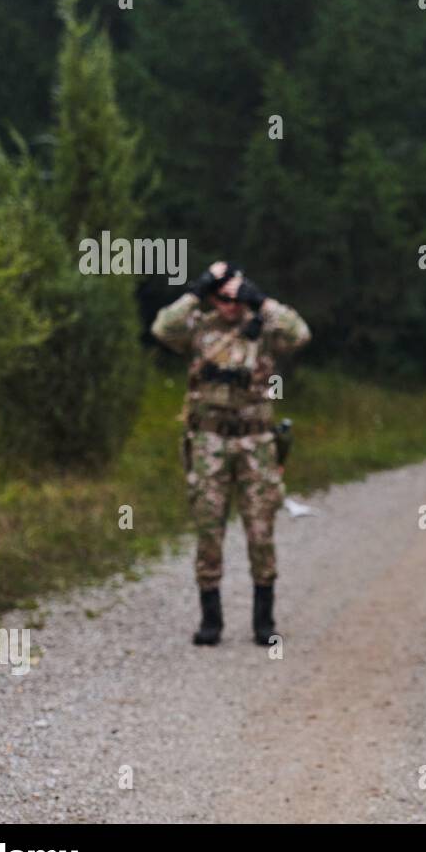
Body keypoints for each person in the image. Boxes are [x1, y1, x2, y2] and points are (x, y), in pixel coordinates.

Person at [151, 261, 311, 646]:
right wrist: (196, 289)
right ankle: (211, 619)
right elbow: (161, 328)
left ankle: (263, 620)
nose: (229, 305)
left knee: (260, 530)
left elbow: (300, 333)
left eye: (235, 298)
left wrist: (262, 300)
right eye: (221, 297)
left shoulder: (264, 330)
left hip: (255, 442)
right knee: (209, 529)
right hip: (209, 443)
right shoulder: (200, 330)